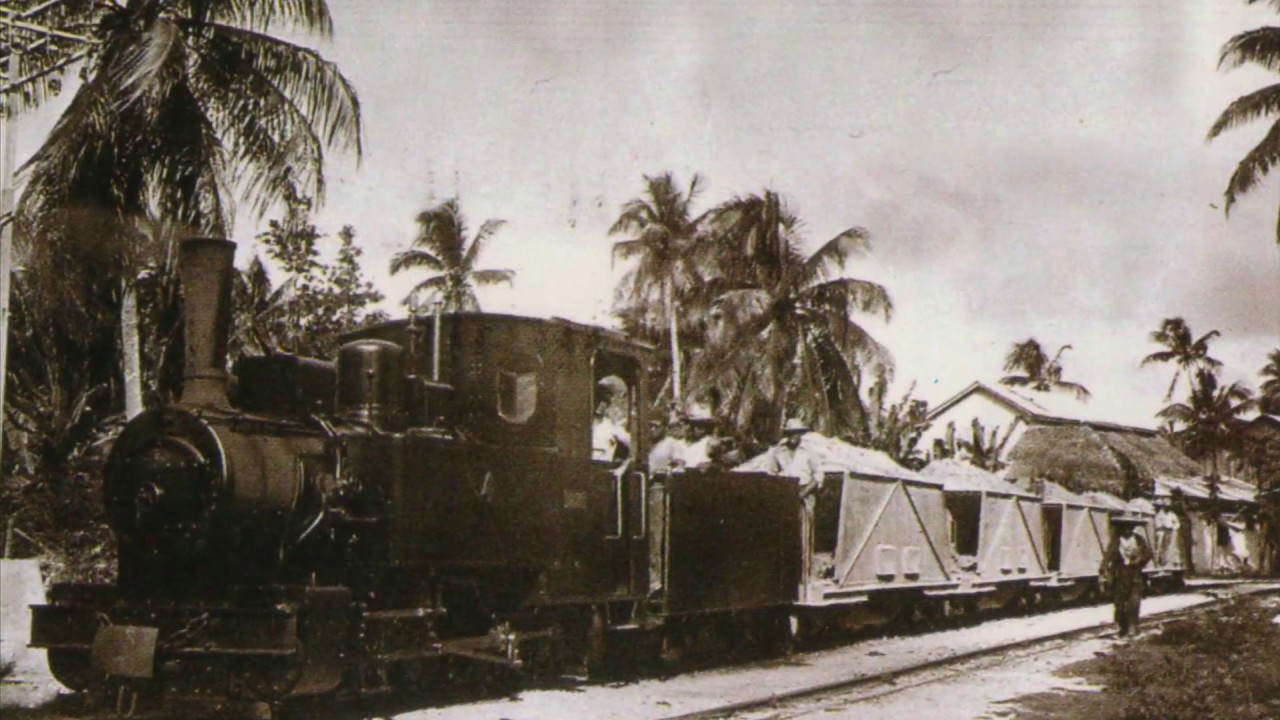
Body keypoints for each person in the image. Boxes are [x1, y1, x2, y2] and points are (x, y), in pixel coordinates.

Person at [765, 418, 825, 588]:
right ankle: (785, 577)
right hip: (784, 493)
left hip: (804, 494)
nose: (794, 437)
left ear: (801, 435)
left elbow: (819, 477)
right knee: (783, 534)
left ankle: (804, 577)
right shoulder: (777, 452)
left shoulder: (809, 453)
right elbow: (771, 474)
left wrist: (803, 493)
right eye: (791, 434)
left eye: (797, 434)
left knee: (804, 534)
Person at [1099, 515, 1153, 637]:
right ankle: (1122, 628)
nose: (1127, 530)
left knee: (1134, 602)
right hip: (1120, 574)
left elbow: (1148, 553)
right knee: (1120, 603)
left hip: (1135, 574)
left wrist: (1140, 560)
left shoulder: (1139, 539)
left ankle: (1133, 627)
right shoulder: (1117, 540)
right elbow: (1109, 555)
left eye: (1130, 528)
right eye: (1125, 528)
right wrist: (1103, 569)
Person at [1154, 500, 1181, 567]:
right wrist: (1161, 526)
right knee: (1159, 546)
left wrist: (1173, 528)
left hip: (1170, 532)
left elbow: (1177, 523)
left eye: (1168, 507)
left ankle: (1173, 562)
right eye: (1165, 506)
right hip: (1161, 531)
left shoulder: (1172, 515)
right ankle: (1158, 562)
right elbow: (1157, 524)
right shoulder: (1159, 514)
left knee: (1172, 546)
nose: (1167, 508)